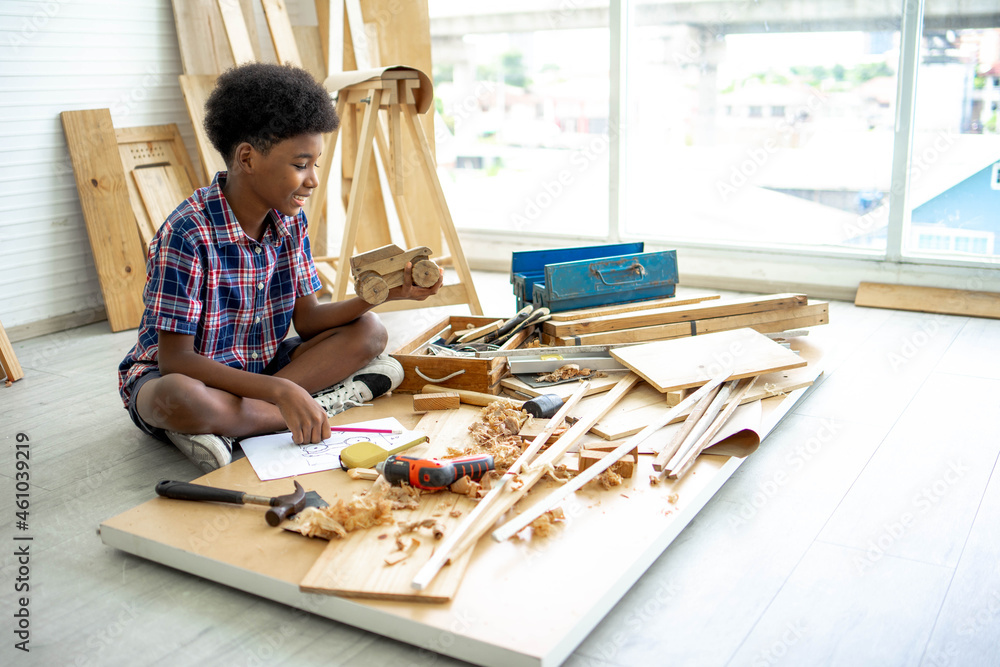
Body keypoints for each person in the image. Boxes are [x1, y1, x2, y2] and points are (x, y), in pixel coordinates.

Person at [117, 62, 442, 472]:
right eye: (300, 164)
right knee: (181, 396)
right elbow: (176, 362)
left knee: (370, 331)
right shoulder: (187, 234)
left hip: (259, 368)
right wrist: (282, 391)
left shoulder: (289, 221)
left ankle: (233, 424)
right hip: (187, 374)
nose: (313, 180)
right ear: (248, 158)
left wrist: (376, 297)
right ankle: (305, 407)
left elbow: (308, 321)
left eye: (315, 165)